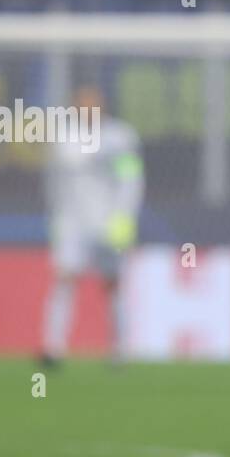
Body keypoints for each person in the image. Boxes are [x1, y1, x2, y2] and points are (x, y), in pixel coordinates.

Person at [41, 84, 143, 366]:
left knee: (112, 285)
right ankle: (53, 349)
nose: (87, 109)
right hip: (72, 222)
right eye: (82, 103)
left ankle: (120, 349)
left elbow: (131, 178)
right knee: (64, 278)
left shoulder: (120, 137)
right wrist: (56, 217)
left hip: (108, 221)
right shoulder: (65, 136)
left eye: (92, 103)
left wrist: (125, 216)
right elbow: (58, 181)